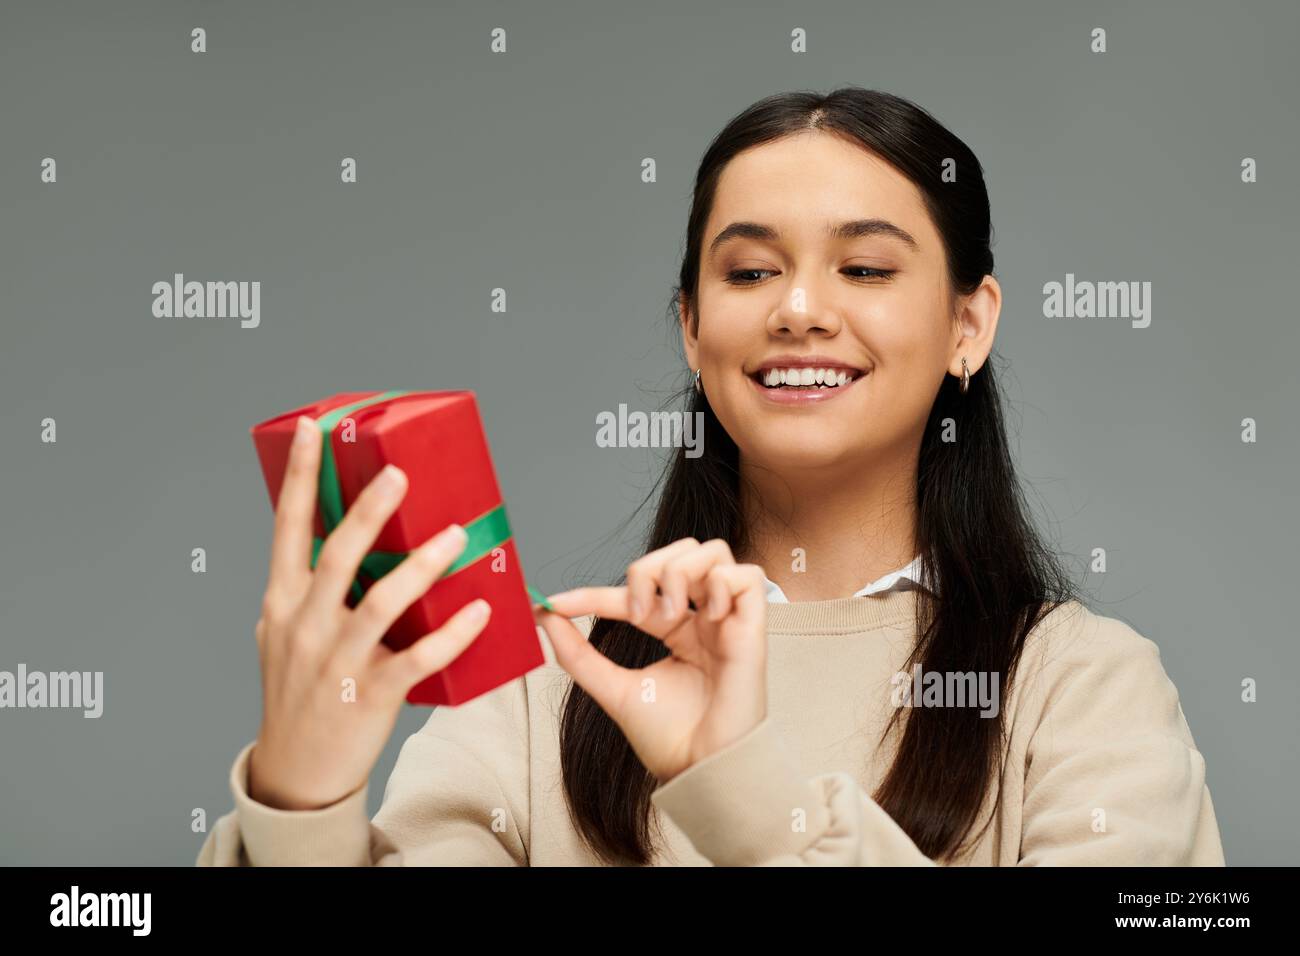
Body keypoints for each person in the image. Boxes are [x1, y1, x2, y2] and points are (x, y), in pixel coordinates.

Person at [197, 87, 1225, 867]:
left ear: (969, 323)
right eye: (748, 271)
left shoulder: (1081, 687)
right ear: (692, 327)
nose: (798, 309)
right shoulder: (538, 689)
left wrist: (731, 783)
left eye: (864, 268)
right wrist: (301, 795)